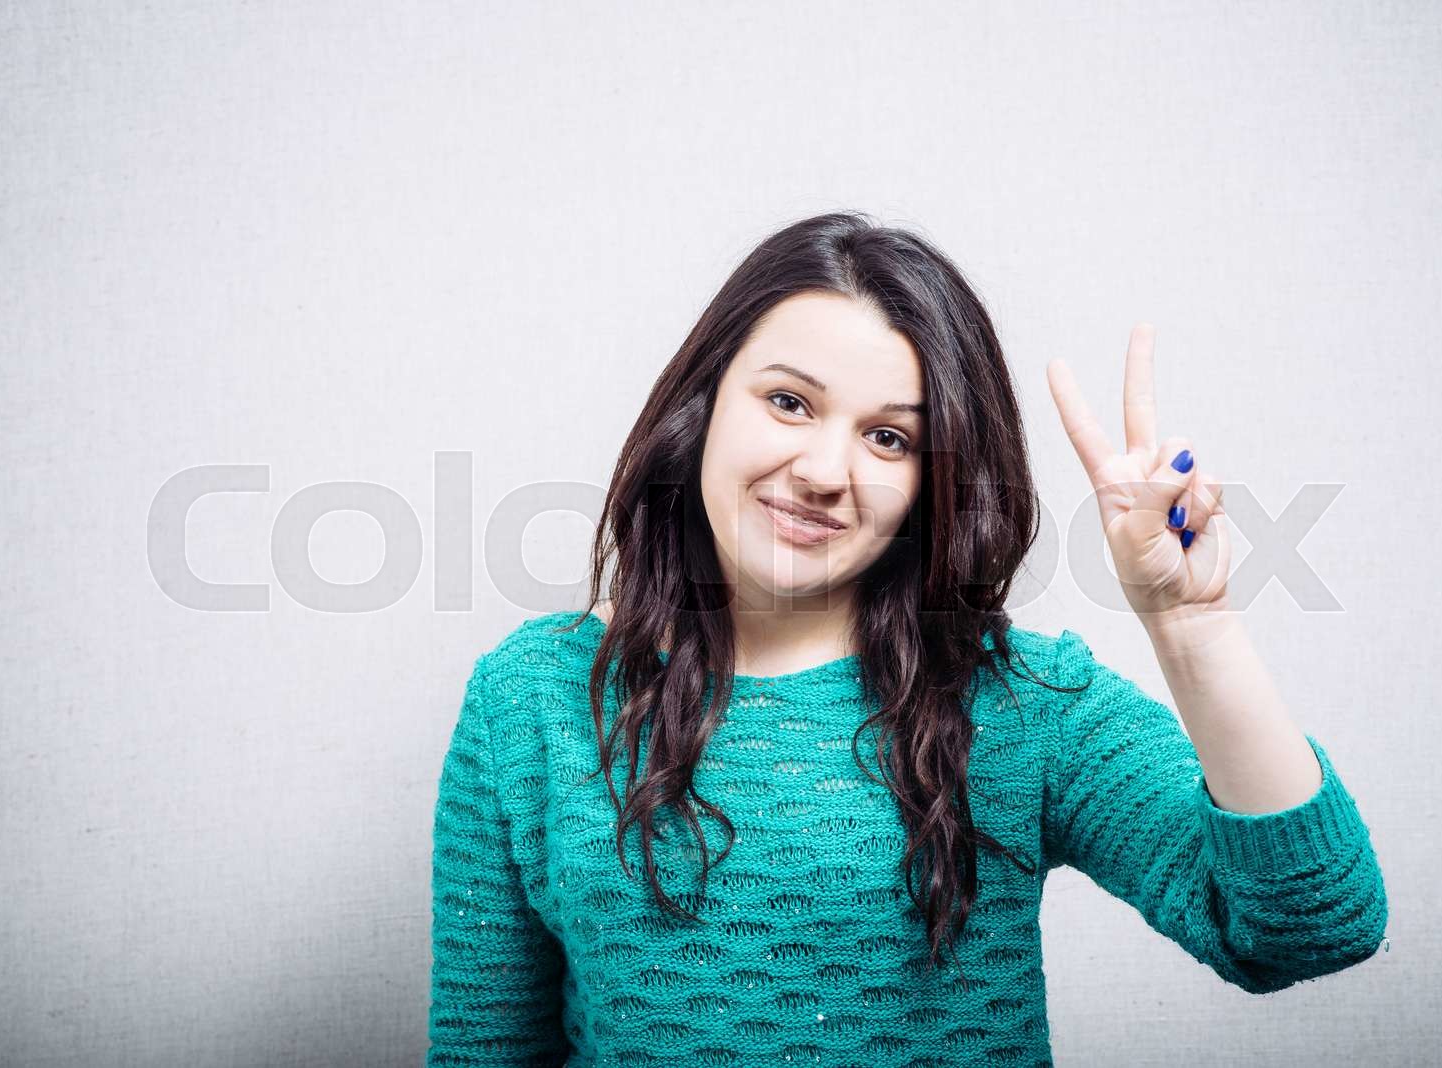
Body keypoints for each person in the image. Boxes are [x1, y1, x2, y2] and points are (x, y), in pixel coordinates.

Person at [426, 212, 1388, 1066]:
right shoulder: (533, 699)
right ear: (704, 404)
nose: (822, 469)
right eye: (790, 402)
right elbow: (484, 1050)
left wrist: (1191, 624)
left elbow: (1310, 925)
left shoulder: (1020, 704)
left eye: (890, 438)